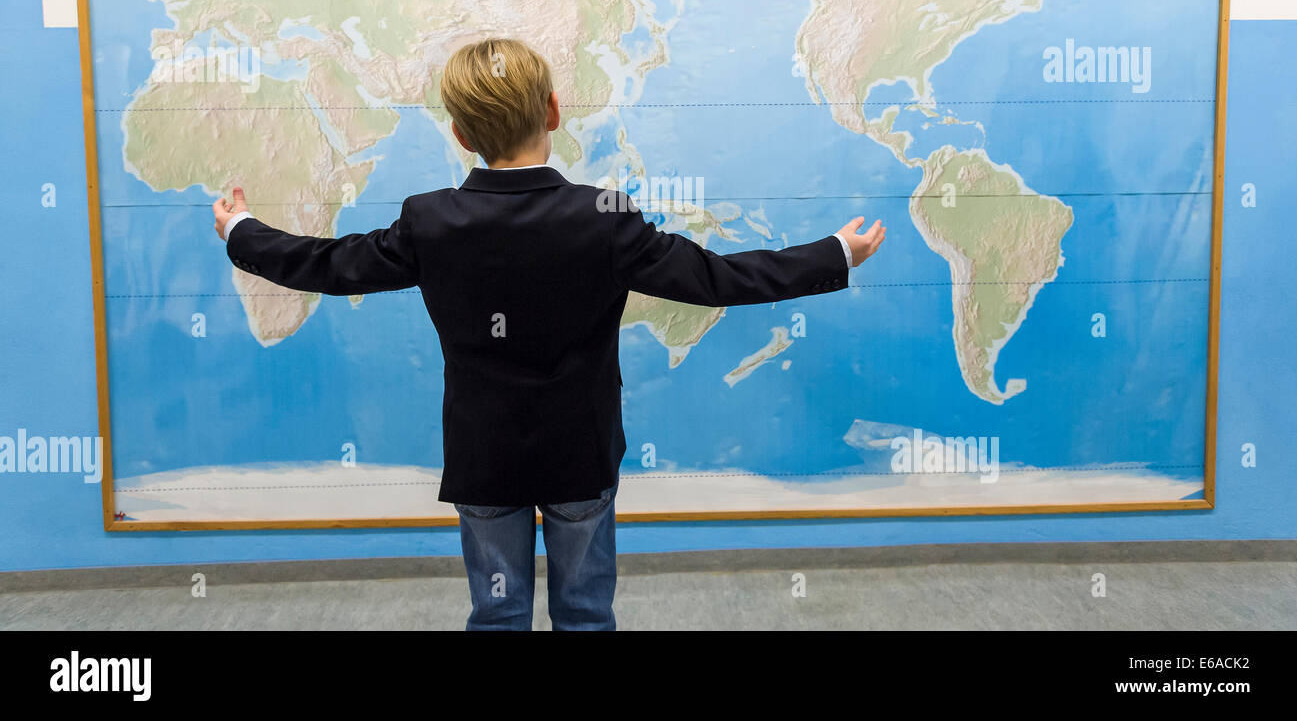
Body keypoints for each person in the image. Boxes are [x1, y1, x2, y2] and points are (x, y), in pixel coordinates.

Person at [211, 38, 886, 630]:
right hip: (580, 455)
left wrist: (242, 230)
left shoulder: (430, 220)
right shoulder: (605, 217)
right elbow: (715, 277)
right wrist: (835, 253)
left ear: (462, 134)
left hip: (485, 460)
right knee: (586, 613)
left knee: (497, 612)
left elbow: (328, 265)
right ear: (555, 112)